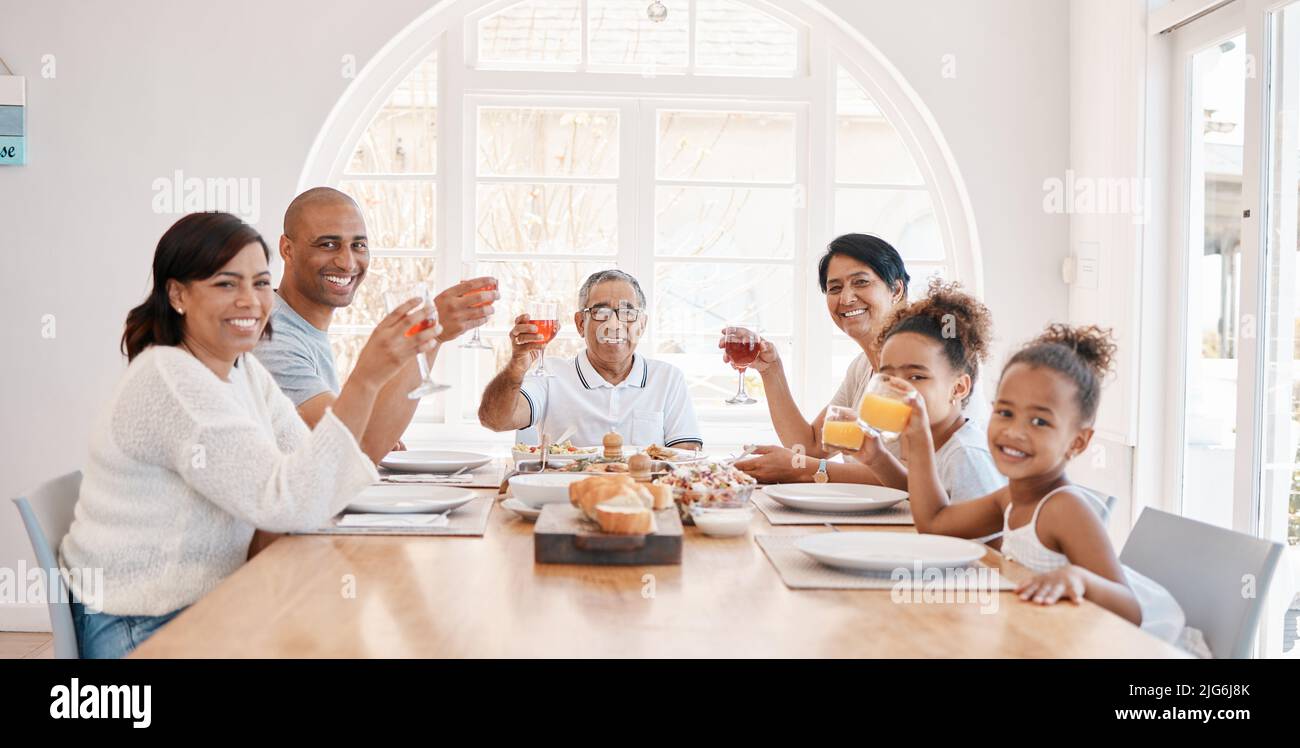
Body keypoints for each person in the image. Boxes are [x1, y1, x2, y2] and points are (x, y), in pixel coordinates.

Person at [59, 212, 436, 658]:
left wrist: (377, 377)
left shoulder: (242, 369)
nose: (251, 300)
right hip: (144, 626)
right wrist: (368, 378)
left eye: (260, 283)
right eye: (226, 284)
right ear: (177, 294)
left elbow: (311, 463)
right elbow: (289, 503)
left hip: (210, 602)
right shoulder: (173, 382)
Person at [900, 324, 1209, 655]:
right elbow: (934, 522)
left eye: (1039, 422)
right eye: (1005, 412)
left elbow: (1129, 610)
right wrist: (919, 441)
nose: (1014, 431)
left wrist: (1080, 578)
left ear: (1077, 442)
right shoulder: (1010, 498)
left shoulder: (1064, 509)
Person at [255, 187, 498, 462]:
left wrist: (380, 432)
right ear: (287, 249)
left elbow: (354, 434)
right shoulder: (271, 338)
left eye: (358, 245)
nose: (347, 262)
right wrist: (433, 331)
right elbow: (353, 451)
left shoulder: (300, 326)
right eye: (328, 244)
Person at [728, 234, 910, 483]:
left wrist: (804, 468)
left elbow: (912, 478)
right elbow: (810, 445)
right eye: (835, 288)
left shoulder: (923, 365)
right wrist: (771, 370)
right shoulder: (861, 367)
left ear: (896, 290)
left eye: (861, 282)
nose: (846, 299)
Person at [478, 269, 701, 449]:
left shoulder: (667, 378)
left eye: (627, 313)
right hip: (567, 495)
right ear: (580, 323)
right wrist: (516, 367)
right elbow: (495, 421)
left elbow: (686, 452)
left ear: (641, 325)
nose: (613, 325)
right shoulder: (550, 374)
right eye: (600, 312)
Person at [844, 280, 1005, 504]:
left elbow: (981, 538)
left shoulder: (965, 456)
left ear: (958, 388)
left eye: (916, 377)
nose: (897, 389)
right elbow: (920, 498)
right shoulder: (935, 444)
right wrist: (877, 458)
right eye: (888, 376)